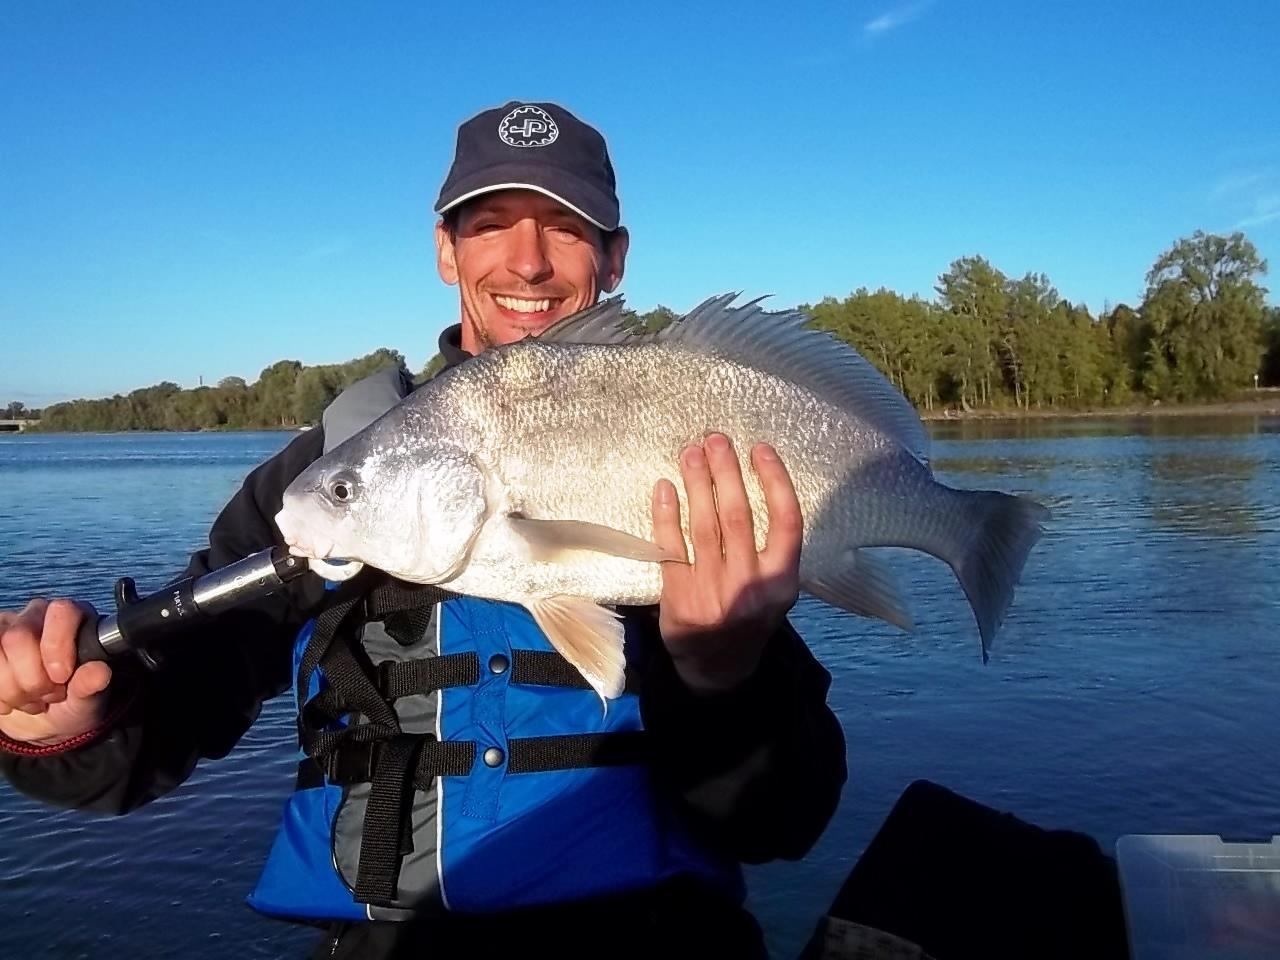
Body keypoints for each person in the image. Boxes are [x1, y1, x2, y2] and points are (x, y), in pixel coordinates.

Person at [0, 101, 848, 959]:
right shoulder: (336, 465)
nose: (529, 260)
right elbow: (172, 709)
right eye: (490, 224)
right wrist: (61, 721)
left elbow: (786, 818)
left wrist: (724, 675)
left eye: (566, 228)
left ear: (614, 258)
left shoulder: (688, 436)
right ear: (446, 250)